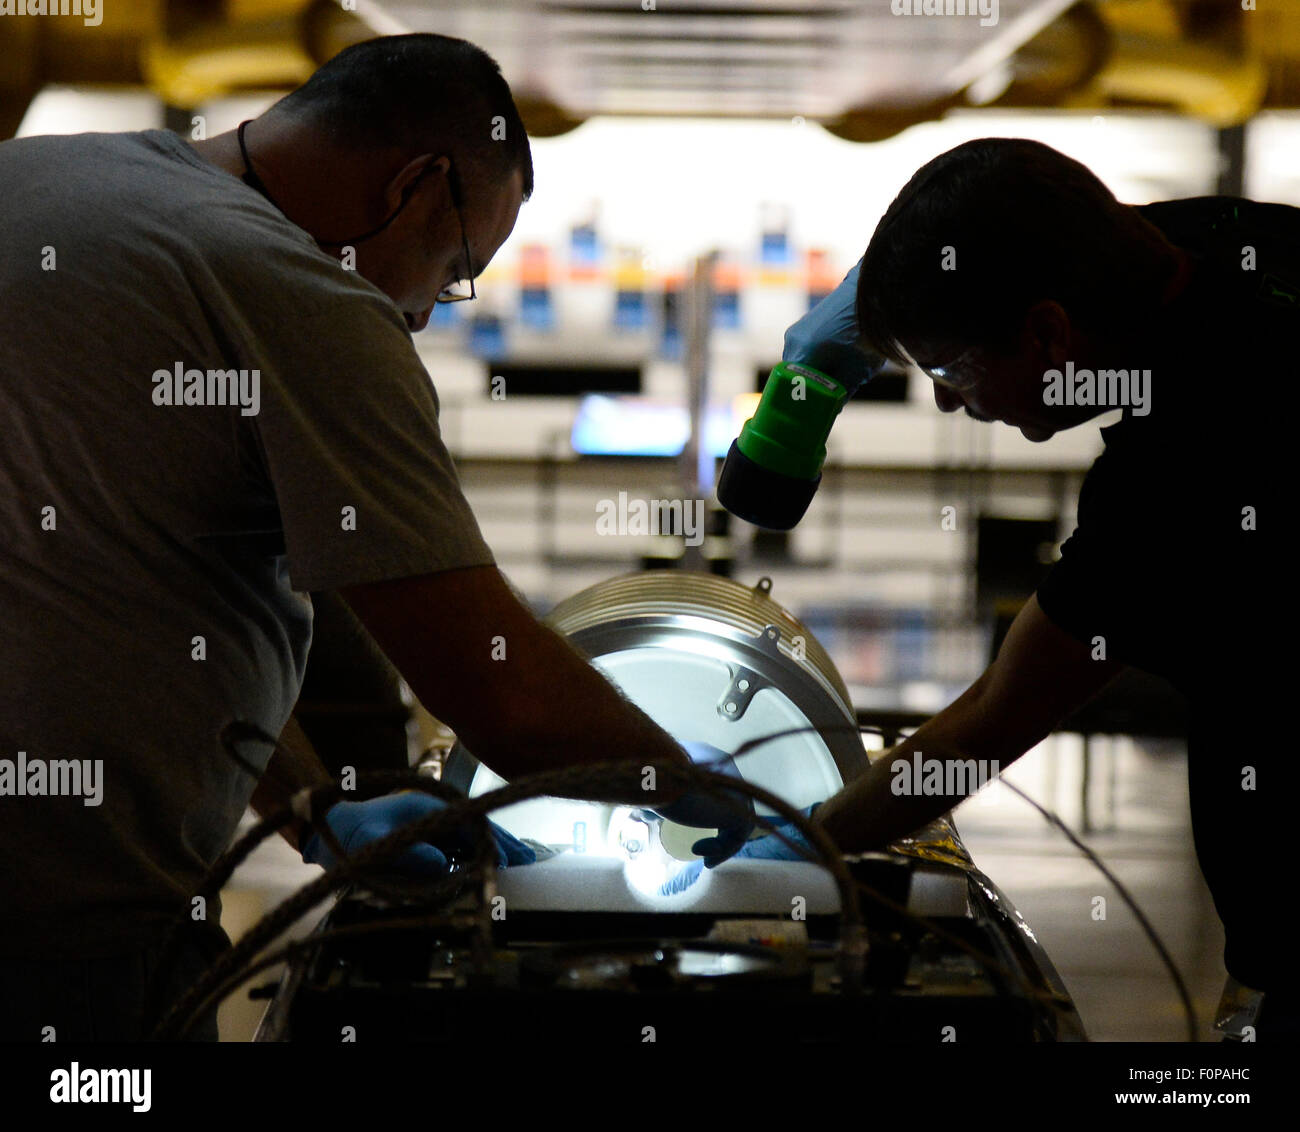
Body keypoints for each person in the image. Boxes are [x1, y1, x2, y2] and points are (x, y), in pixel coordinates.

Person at [0, 33, 750, 1042]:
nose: (424, 317)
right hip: (66, 943)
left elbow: (137, 590)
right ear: (418, 183)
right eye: (451, 270)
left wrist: (313, 804)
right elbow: (502, 690)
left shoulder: (40, 176)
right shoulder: (300, 294)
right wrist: (697, 788)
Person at [769, 137, 1292, 1039]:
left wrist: (796, 839)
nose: (945, 401)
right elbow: (1022, 217)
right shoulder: (1222, 244)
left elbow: (990, 721)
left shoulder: (1185, 476)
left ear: (1049, 333)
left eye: (952, 370)